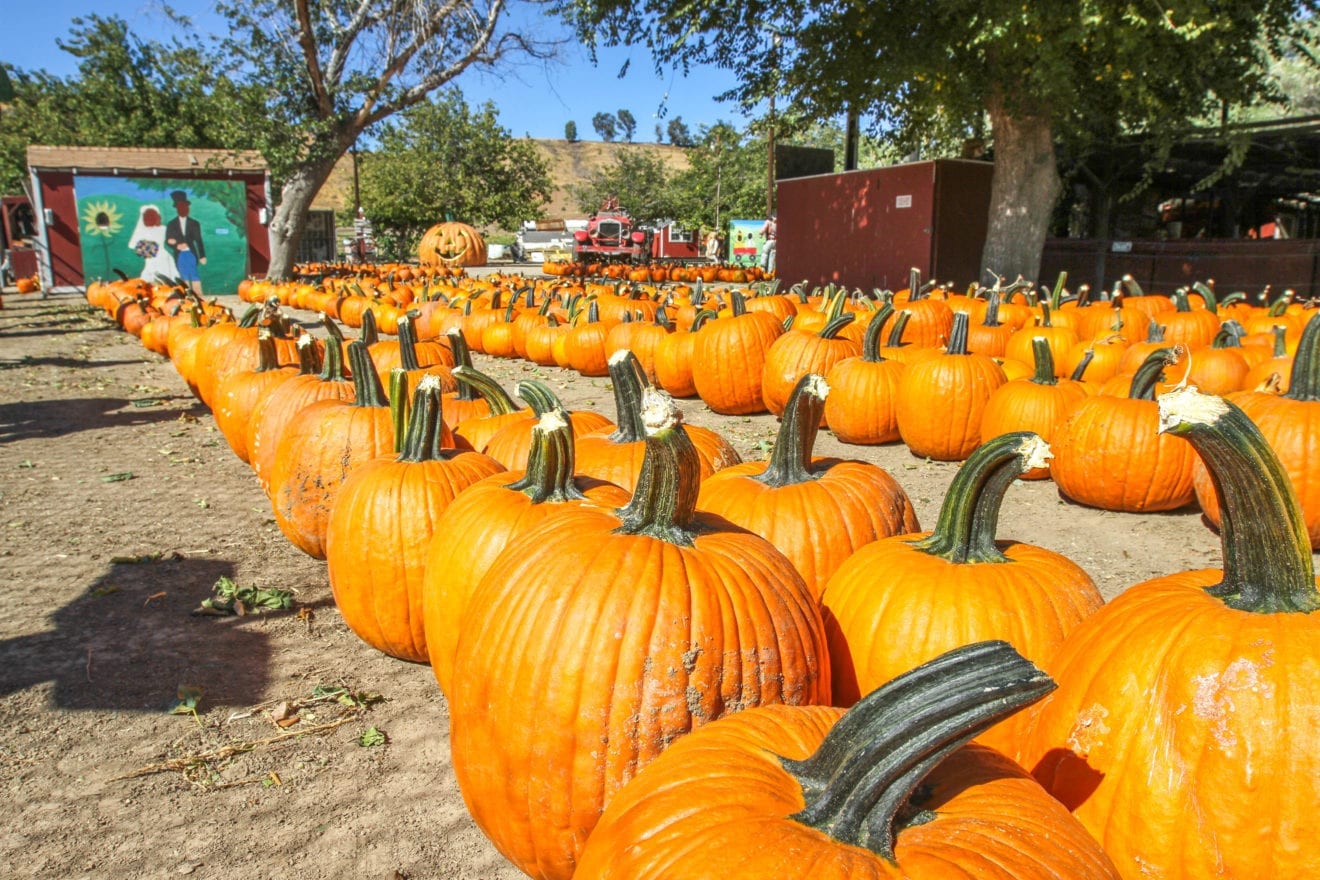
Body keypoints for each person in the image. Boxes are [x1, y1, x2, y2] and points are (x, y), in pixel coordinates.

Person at [165, 190, 206, 295]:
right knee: (183, 275)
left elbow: (198, 240)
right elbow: (168, 240)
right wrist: (175, 244)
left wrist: (202, 256)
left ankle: (198, 295)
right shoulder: (171, 224)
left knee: (194, 274)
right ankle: (186, 295)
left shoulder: (194, 223)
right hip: (179, 255)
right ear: (177, 208)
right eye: (180, 207)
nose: (183, 209)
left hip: (191, 253)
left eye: (185, 206)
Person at [128, 205, 178, 284]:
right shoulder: (142, 231)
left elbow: (173, 239)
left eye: (152, 216)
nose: (150, 218)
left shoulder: (163, 229)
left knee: (166, 278)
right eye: (148, 216)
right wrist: (146, 247)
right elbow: (132, 245)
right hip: (150, 259)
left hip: (163, 258)